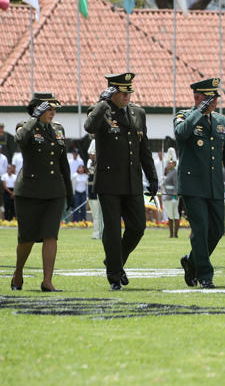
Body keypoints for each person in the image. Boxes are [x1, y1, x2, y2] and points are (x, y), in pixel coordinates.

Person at [84, 72, 158, 291]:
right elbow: (89, 127)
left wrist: (152, 177)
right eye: (122, 92)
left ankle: (114, 261)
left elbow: (145, 150)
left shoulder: (138, 113)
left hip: (132, 181)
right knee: (113, 230)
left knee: (137, 227)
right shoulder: (101, 111)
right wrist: (102, 102)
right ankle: (114, 275)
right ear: (112, 92)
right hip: (109, 181)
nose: (127, 96)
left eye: (129, 92)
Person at [176, 77, 225, 288]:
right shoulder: (184, 116)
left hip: (214, 185)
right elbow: (181, 134)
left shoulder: (220, 121)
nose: (214, 102)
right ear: (197, 97)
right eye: (209, 98)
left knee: (217, 230)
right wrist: (198, 112)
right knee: (201, 230)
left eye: (215, 98)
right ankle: (205, 275)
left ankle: (192, 261)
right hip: (192, 186)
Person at [11, 93, 72, 292]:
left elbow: (63, 164)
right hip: (29, 192)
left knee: (50, 236)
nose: (52, 113)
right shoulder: (24, 126)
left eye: (54, 109)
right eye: (48, 109)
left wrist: (69, 193)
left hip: (54, 191)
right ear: (37, 110)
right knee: (26, 238)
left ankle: (47, 281)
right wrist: (33, 119)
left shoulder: (58, 129)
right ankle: (18, 272)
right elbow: (20, 140)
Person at [86, 139, 103, 239]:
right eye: (91, 154)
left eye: (93, 154)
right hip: (91, 194)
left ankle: (99, 233)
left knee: (98, 216)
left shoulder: (99, 165)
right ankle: (97, 233)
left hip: (97, 194)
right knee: (95, 216)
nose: (91, 156)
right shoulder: (90, 164)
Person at [162, 147, 180, 238]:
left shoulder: (175, 172)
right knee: (170, 216)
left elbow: (176, 185)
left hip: (172, 197)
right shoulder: (168, 172)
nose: (169, 164)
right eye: (168, 162)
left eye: (171, 163)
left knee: (175, 215)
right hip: (167, 196)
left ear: (174, 163)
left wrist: (175, 197)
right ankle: (171, 234)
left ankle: (175, 234)